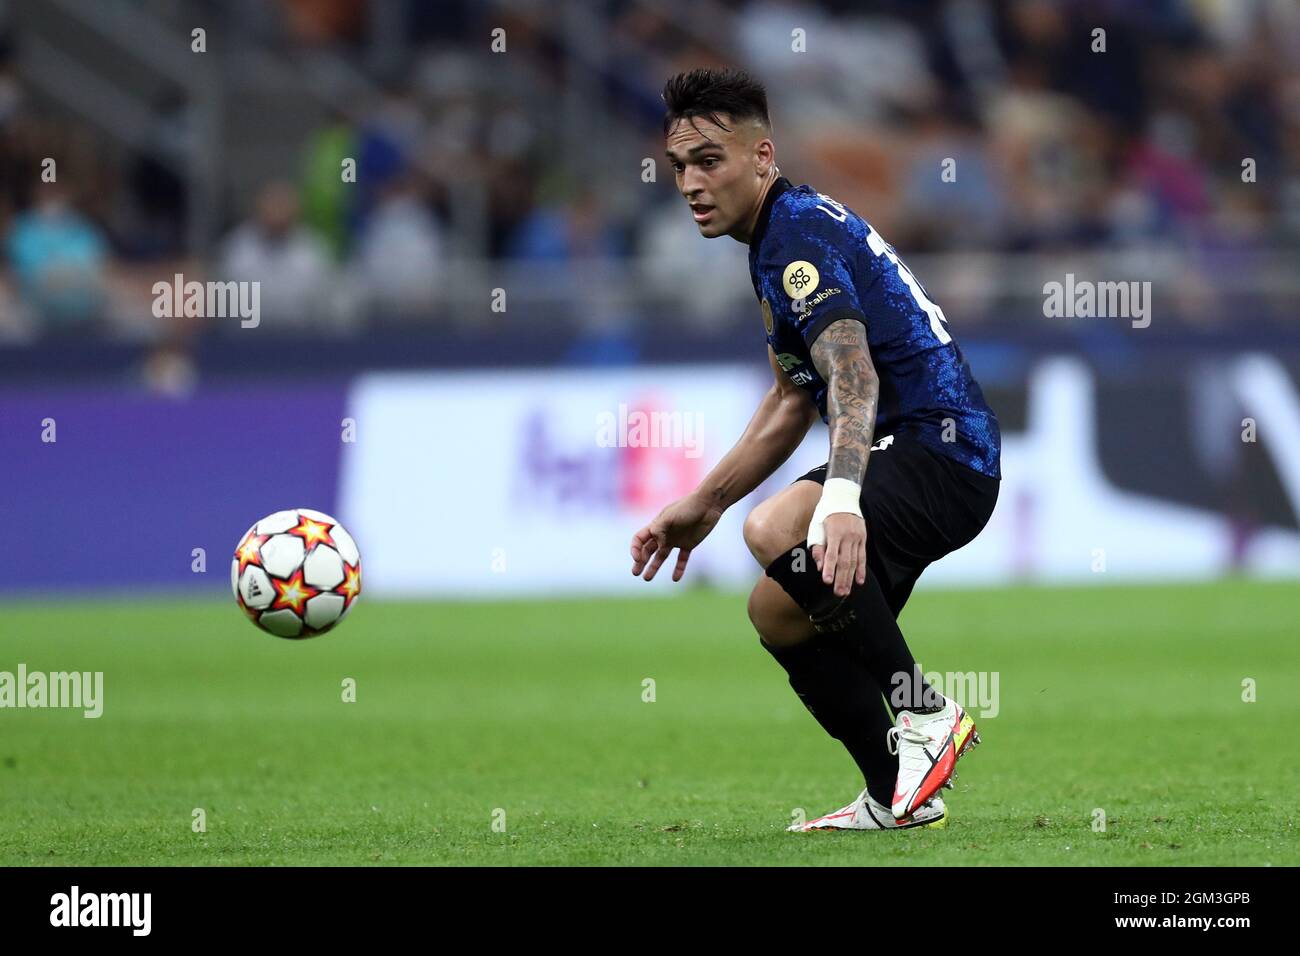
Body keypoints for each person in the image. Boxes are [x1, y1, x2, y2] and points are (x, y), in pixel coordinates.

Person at [630, 68, 1001, 831]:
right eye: (679, 168)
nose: (691, 184)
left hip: (942, 448)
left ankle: (925, 714)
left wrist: (839, 501)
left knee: (773, 530)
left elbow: (853, 370)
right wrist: (702, 504)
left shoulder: (794, 235)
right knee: (777, 612)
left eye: (710, 161)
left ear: (762, 156)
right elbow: (796, 397)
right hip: (923, 451)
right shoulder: (776, 238)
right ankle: (896, 792)